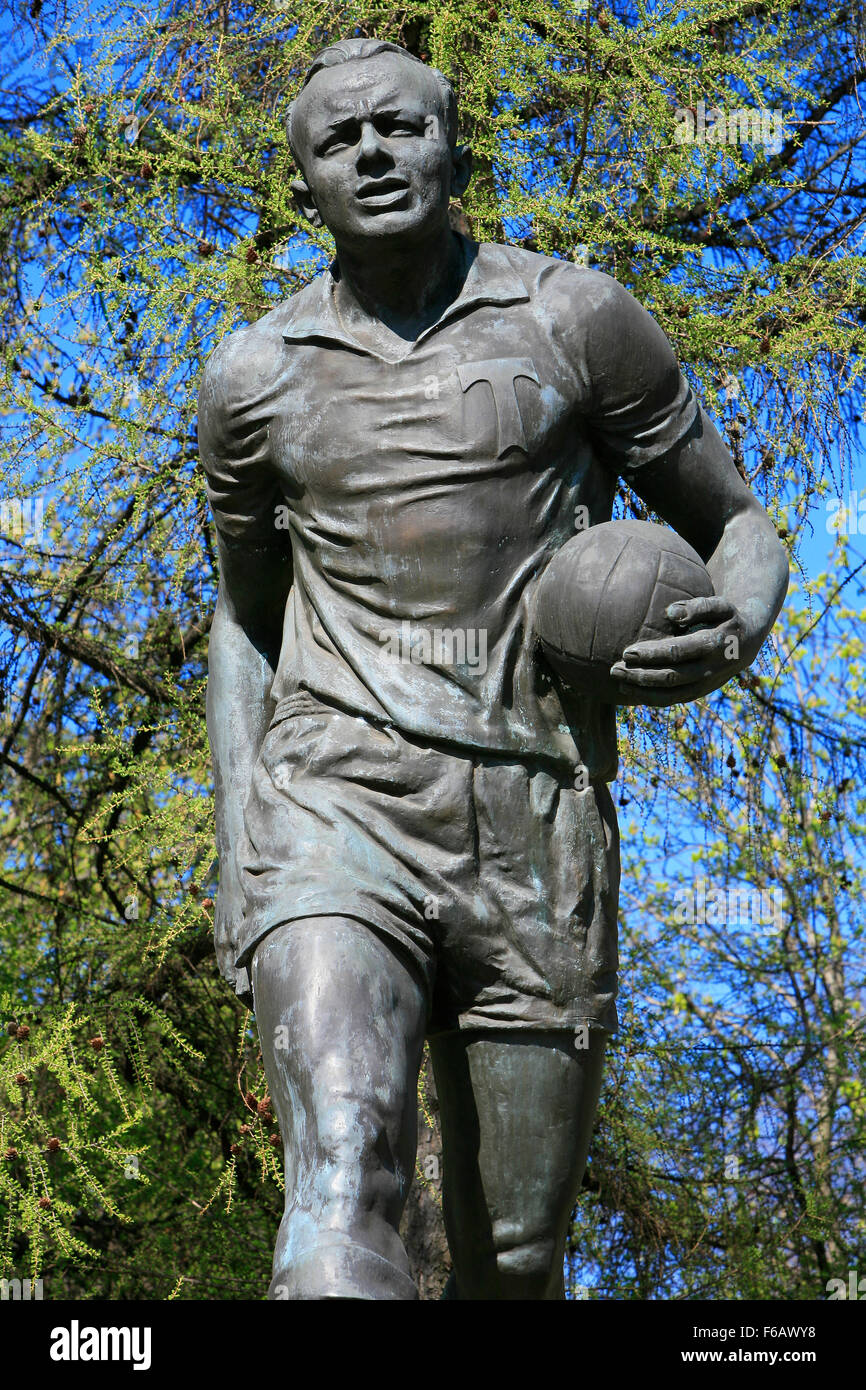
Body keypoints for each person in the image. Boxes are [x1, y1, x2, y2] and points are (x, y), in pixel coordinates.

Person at [198, 38, 788, 1300]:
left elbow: (735, 520)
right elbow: (246, 621)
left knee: (513, 1257)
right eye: (337, 139)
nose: (372, 150)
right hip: (332, 803)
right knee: (342, 1169)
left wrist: (731, 623)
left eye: (399, 126)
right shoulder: (254, 379)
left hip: (534, 814)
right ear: (301, 187)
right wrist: (238, 835)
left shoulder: (572, 317)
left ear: (453, 142)